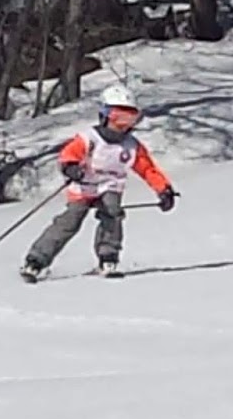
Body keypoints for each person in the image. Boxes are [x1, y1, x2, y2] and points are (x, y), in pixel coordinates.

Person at [21, 83, 176, 282]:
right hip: (84, 186)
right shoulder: (89, 139)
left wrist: (163, 189)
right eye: (118, 117)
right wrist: (71, 168)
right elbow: (68, 155)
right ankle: (36, 260)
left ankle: (108, 257)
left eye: (130, 118)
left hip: (110, 186)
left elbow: (148, 169)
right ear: (104, 115)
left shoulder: (131, 146)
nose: (123, 125)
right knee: (70, 221)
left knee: (112, 214)